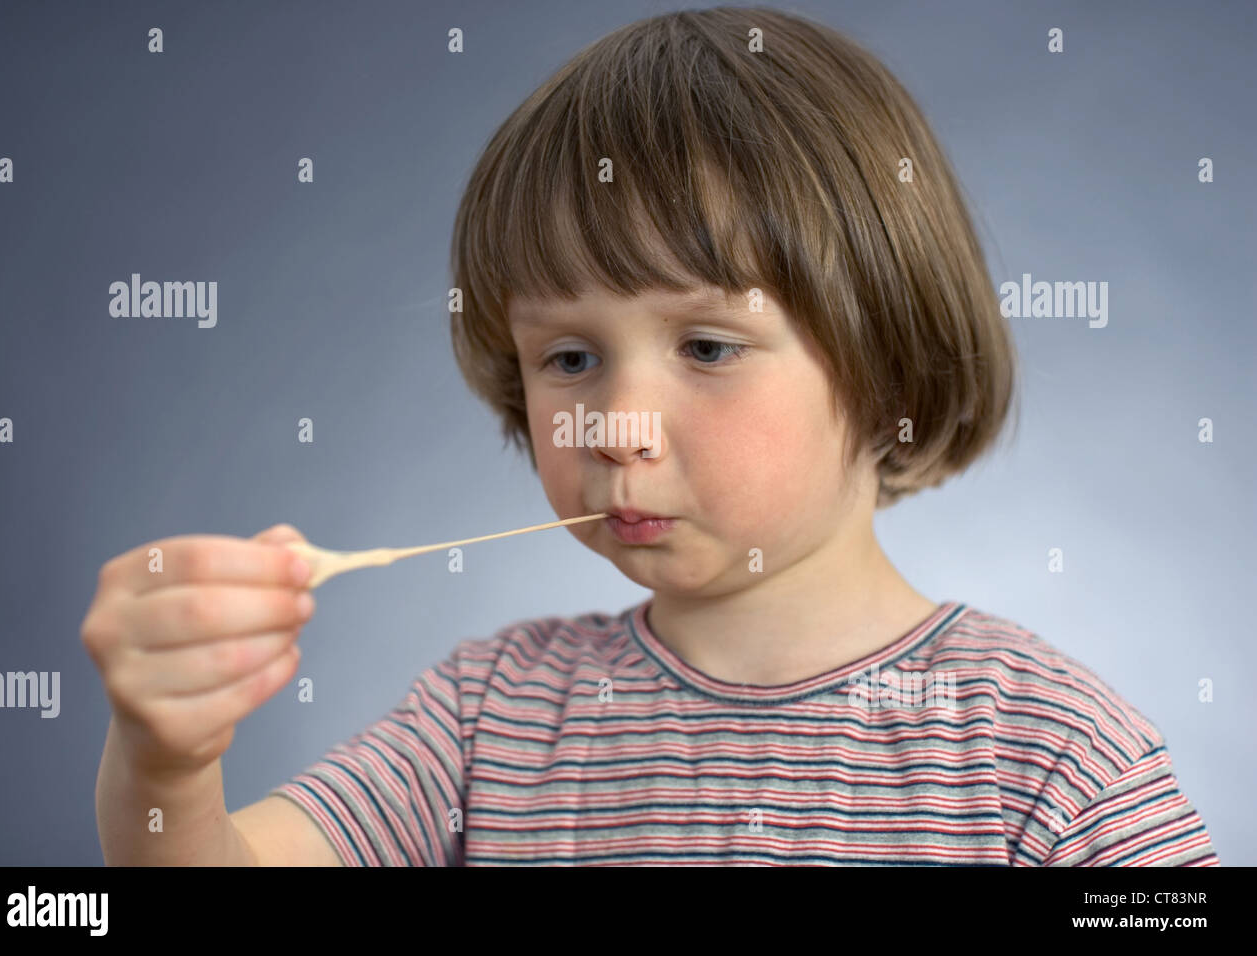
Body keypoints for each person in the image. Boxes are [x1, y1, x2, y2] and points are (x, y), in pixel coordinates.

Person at [84, 6, 1219, 865]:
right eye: (569, 357)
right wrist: (165, 761)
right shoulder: (490, 716)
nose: (616, 426)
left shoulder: (1055, 753)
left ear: (885, 366)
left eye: (710, 346)